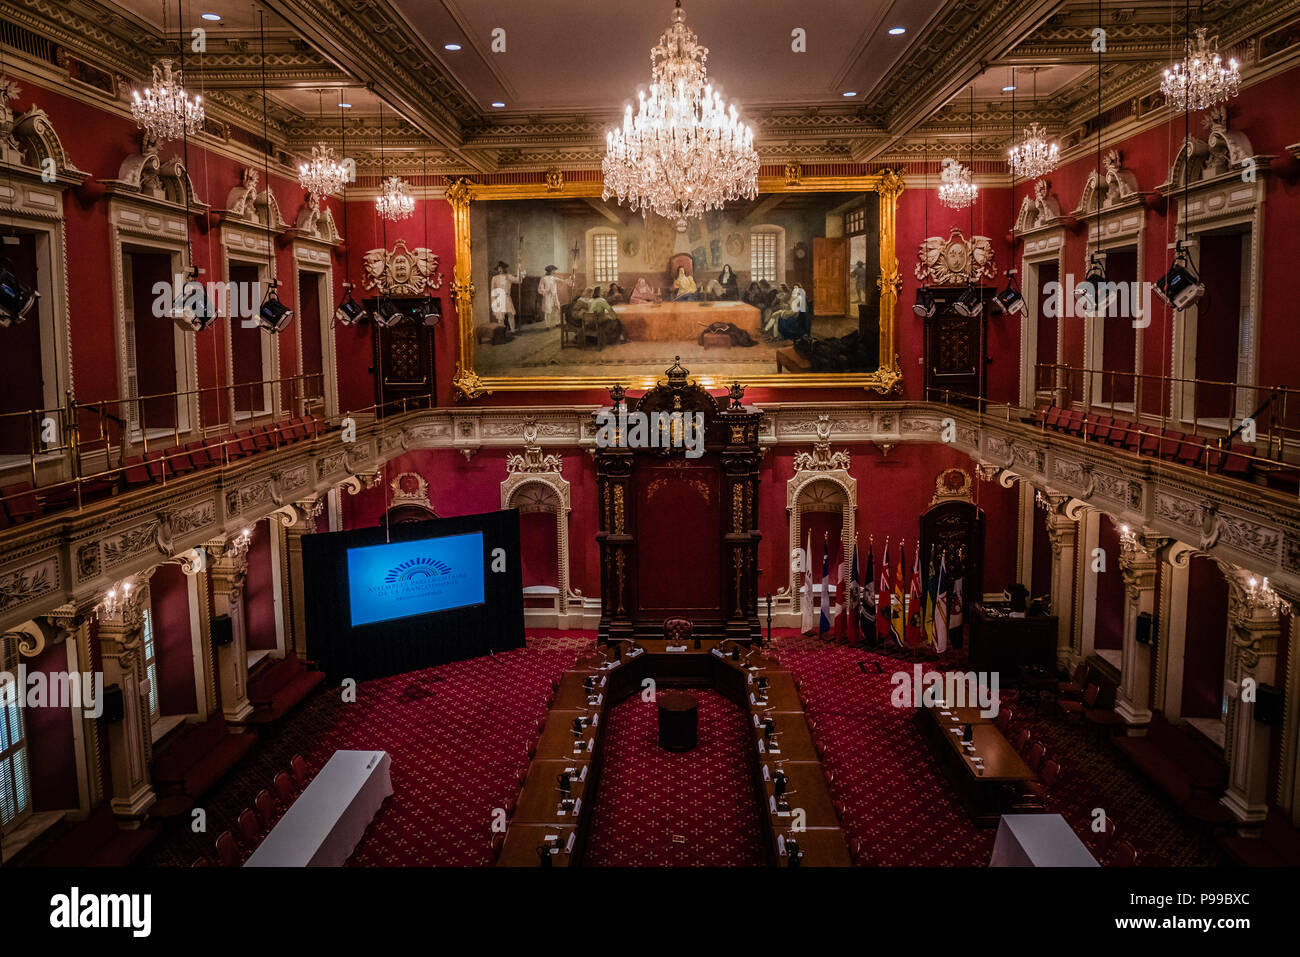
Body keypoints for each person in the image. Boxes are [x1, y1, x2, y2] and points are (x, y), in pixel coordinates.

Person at [490, 260, 524, 329]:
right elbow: (493, 291)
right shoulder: (495, 278)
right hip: (499, 298)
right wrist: (494, 301)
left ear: (504, 269)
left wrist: (519, 270)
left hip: (507, 297)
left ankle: (512, 330)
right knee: (500, 316)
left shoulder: (508, 276)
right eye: (499, 268)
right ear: (497, 269)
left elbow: (518, 280)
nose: (500, 270)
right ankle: (501, 333)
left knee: (511, 314)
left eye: (502, 268)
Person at [536, 265, 571, 329]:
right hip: (548, 296)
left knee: (557, 309)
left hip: (554, 296)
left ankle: (557, 323)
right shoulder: (543, 278)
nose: (555, 271)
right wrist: (546, 291)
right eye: (553, 270)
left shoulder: (553, 278)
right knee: (548, 311)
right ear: (550, 271)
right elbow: (539, 289)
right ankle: (547, 325)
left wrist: (569, 280)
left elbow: (563, 281)